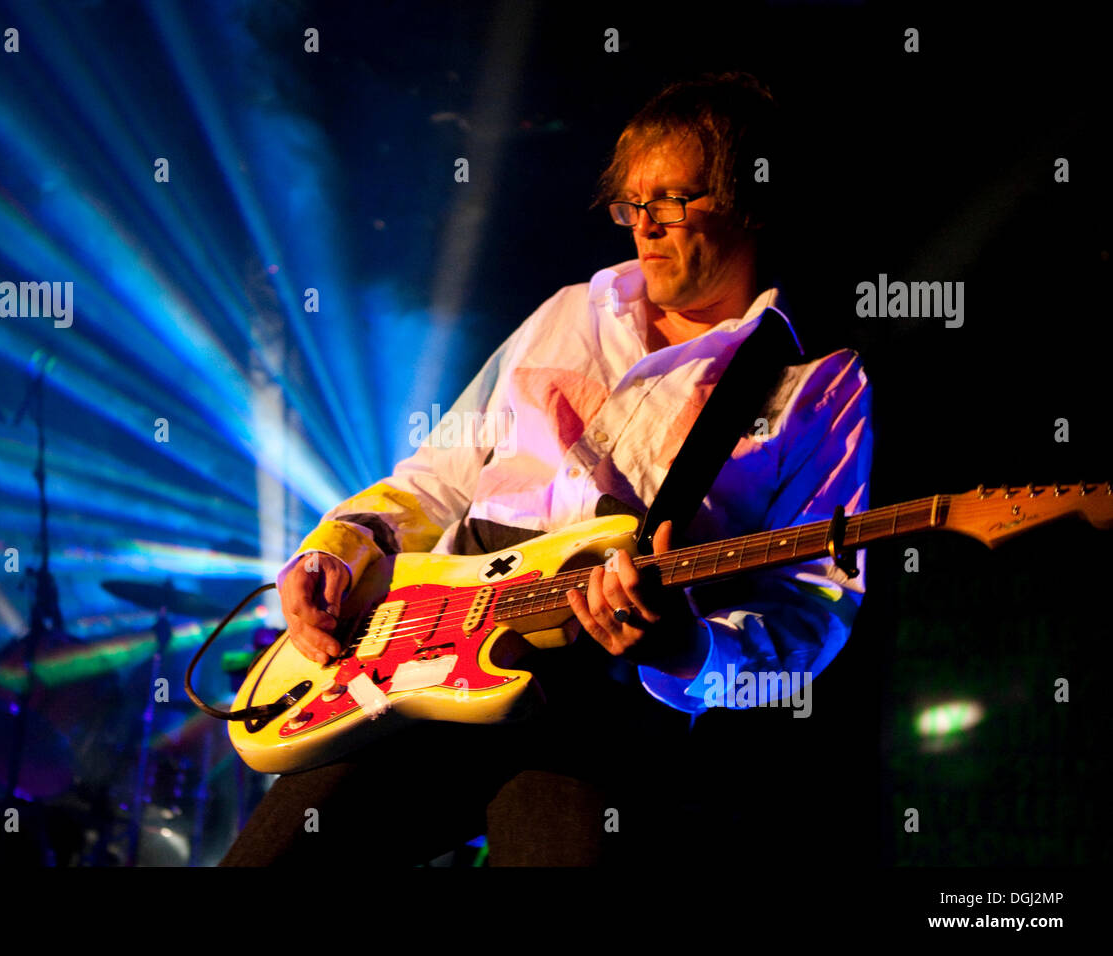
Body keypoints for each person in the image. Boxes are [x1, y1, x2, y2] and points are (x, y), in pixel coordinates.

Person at [220, 72, 872, 866]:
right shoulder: (567, 313)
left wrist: (689, 651)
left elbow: (813, 611)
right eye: (633, 203)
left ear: (751, 200)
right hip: (428, 654)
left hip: (600, 709)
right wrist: (341, 545)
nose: (644, 225)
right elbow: (438, 479)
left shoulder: (816, 385)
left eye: (673, 200)